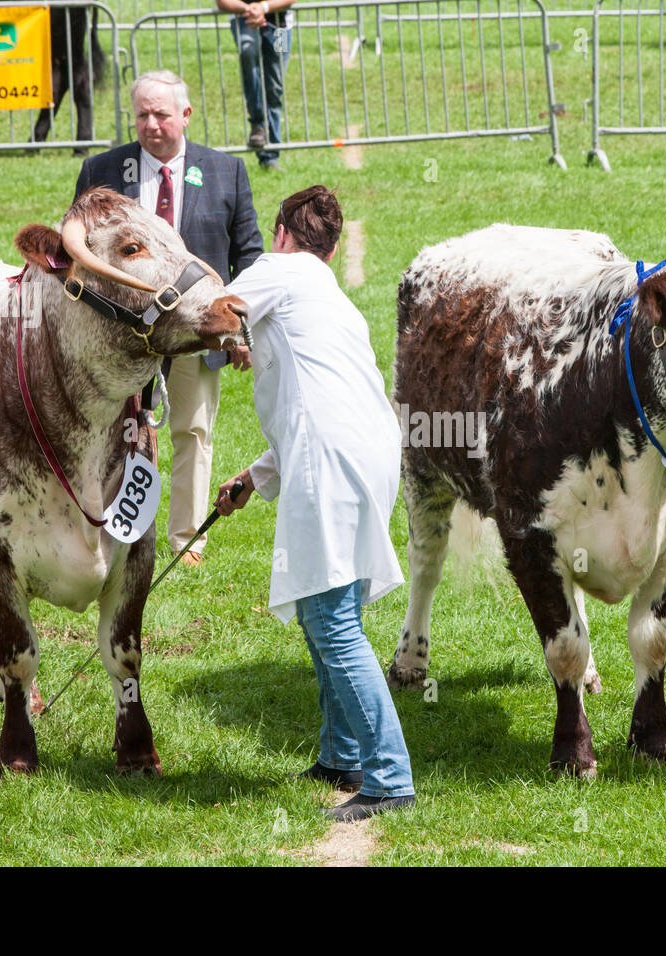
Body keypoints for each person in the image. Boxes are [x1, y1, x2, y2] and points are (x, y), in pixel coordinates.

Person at [214, 186, 415, 822]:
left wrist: (228, 340)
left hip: (332, 457)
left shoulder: (278, 269)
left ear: (280, 234)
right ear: (330, 247)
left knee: (331, 618)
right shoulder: (334, 297)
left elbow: (221, 309)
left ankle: (389, 777)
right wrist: (255, 474)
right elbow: (319, 397)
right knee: (327, 605)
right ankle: (340, 755)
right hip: (370, 451)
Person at [75, 69, 263, 568]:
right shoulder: (102, 172)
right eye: (141, 114)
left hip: (196, 332)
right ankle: (111, 533)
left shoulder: (226, 172)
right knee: (116, 433)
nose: (151, 124)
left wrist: (240, 330)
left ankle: (186, 541)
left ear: (185, 115)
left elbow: (248, 257)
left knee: (192, 430)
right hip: (123, 333)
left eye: (161, 114)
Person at [217, 0, 295, 169]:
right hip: (245, 19)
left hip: (280, 27)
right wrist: (249, 9)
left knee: (275, 85)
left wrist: (263, 8)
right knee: (247, 52)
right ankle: (258, 124)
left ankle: (270, 155)